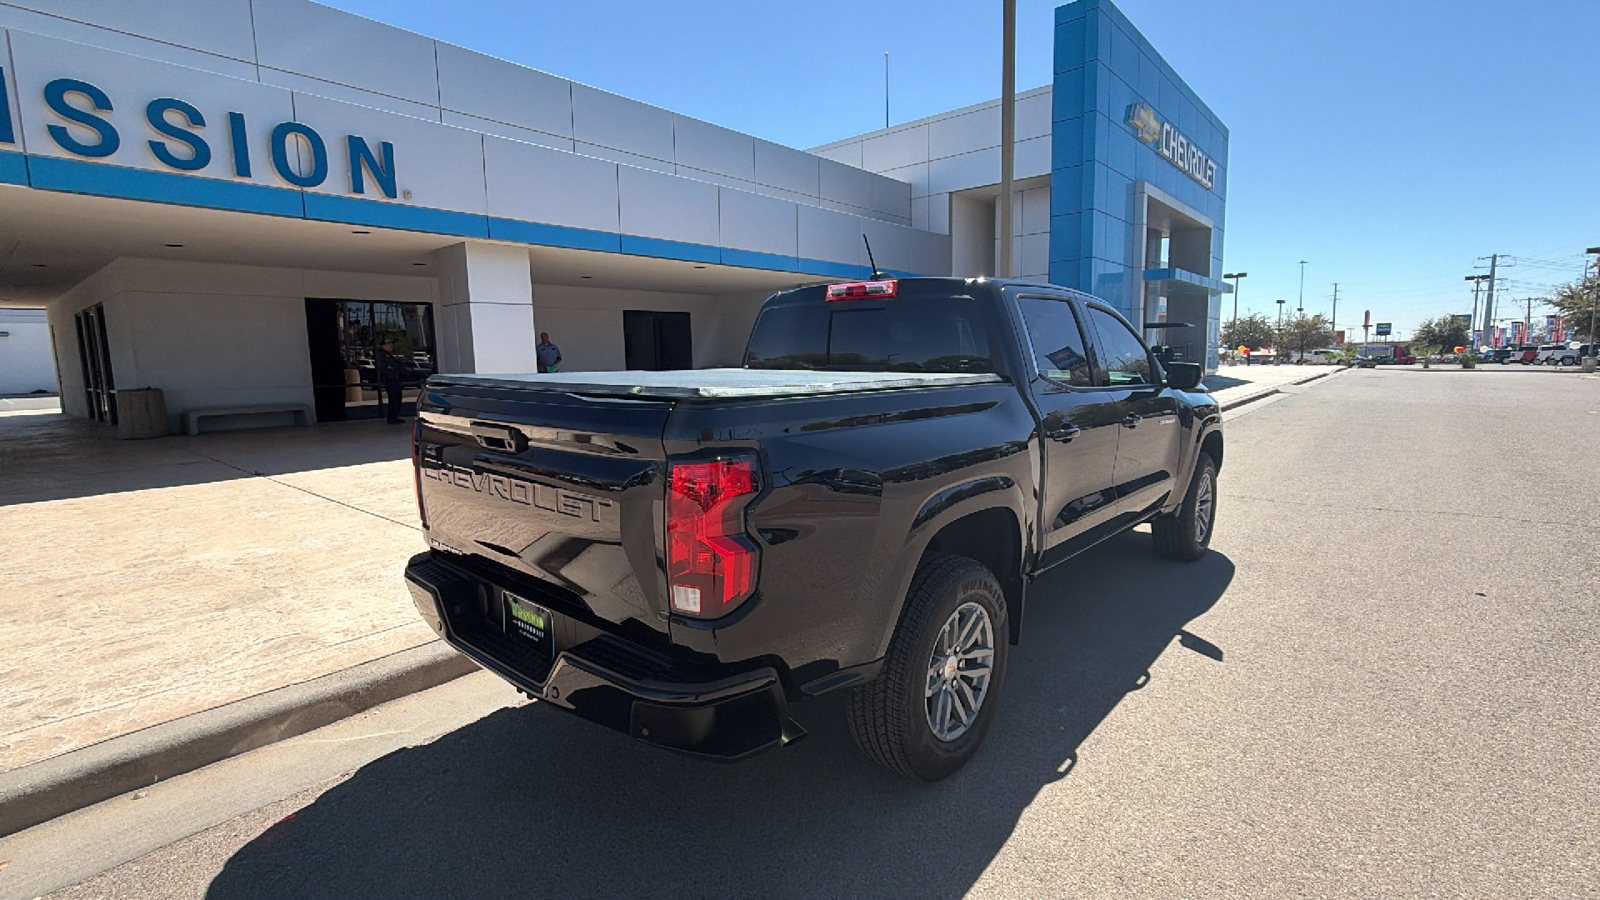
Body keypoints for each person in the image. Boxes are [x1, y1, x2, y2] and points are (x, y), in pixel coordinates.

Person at [376, 337, 405, 424]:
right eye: (388, 344)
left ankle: (394, 416)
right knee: (394, 399)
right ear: (383, 346)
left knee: (397, 398)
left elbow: (397, 366)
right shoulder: (382, 356)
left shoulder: (390, 355)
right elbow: (385, 368)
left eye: (391, 344)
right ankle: (392, 417)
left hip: (394, 379)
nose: (391, 346)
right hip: (390, 380)